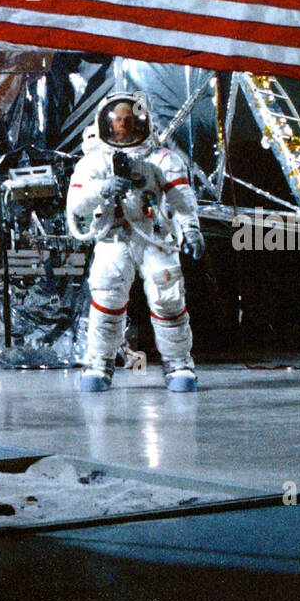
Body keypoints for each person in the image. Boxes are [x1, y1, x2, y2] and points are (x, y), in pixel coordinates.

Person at [66, 92, 204, 393]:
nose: (122, 128)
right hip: (113, 238)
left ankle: (179, 363)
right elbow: (76, 203)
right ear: (105, 124)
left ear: (142, 122)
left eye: (129, 121)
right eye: (116, 121)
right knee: (106, 300)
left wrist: (191, 230)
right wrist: (103, 188)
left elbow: (181, 199)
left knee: (168, 300)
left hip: (154, 236)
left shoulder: (163, 159)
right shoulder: (93, 161)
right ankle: (99, 363)